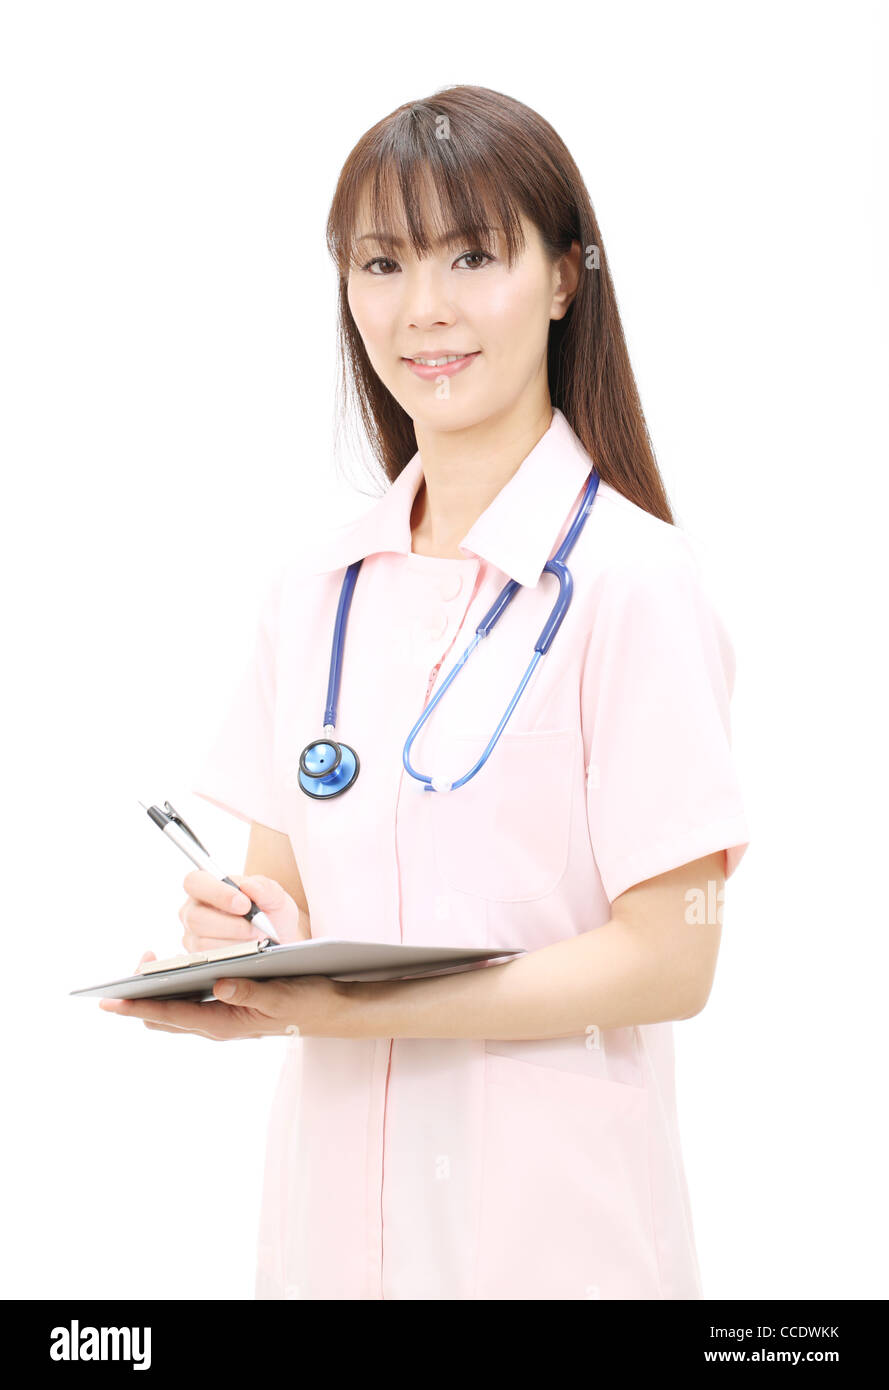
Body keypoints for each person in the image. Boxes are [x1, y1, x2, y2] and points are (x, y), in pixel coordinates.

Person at [101, 84, 751, 1300]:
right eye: (383, 262)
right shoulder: (315, 586)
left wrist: (354, 1009)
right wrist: (246, 940)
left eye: (472, 254)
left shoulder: (631, 579)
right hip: (330, 1240)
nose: (425, 309)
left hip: (554, 1243)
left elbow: (674, 962)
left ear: (563, 278)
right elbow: (286, 886)